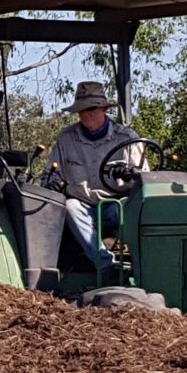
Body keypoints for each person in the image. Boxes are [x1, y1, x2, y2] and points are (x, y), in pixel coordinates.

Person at [47, 81, 143, 272]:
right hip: (82, 205)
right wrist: (54, 183)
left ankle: (141, 265)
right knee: (69, 207)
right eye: (81, 110)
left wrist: (131, 176)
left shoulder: (127, 138)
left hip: (116, 204)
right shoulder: (66, 139)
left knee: (138, 209)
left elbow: (144, 181)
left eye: (91, 108)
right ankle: (106, 265)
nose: (86, 114)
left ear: (104, 109)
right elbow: (51, 174)